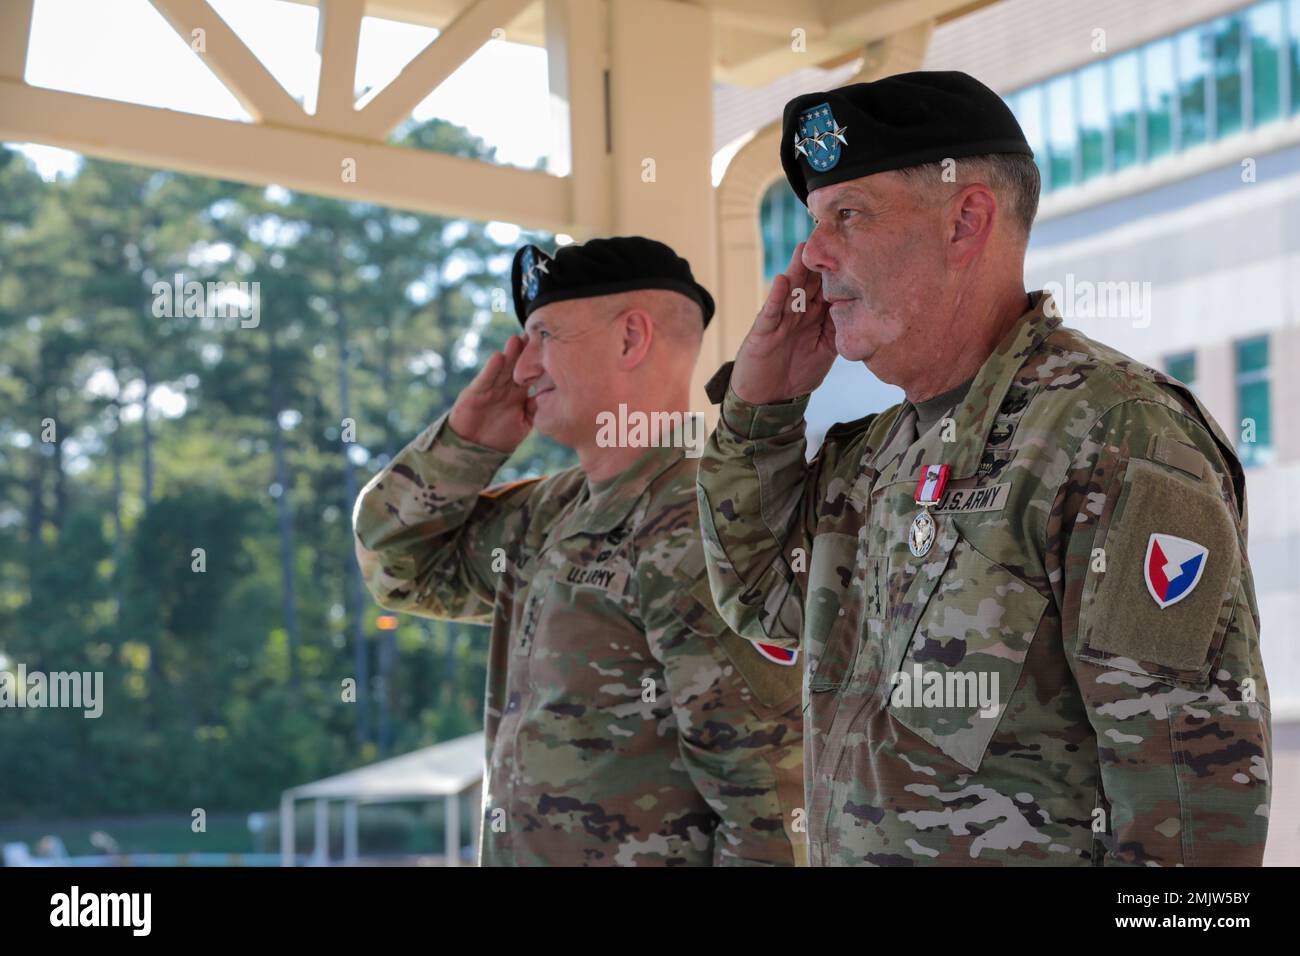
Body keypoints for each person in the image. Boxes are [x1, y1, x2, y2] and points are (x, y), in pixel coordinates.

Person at [696, 71, 1271, 865]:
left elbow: (1193, 803)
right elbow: (759, 598)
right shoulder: (875, 455)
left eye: (848, 216)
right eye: (815, 220)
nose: (812, 253)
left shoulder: (1113, 433)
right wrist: (758, 415)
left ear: (966, 221)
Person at [354, 236, 803, 866]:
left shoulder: (703, 526)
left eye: (544, 337)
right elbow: (397, 565)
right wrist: (464, 443)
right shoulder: (549, 513)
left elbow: (771, 820)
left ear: (630, 338)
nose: (520, 368)